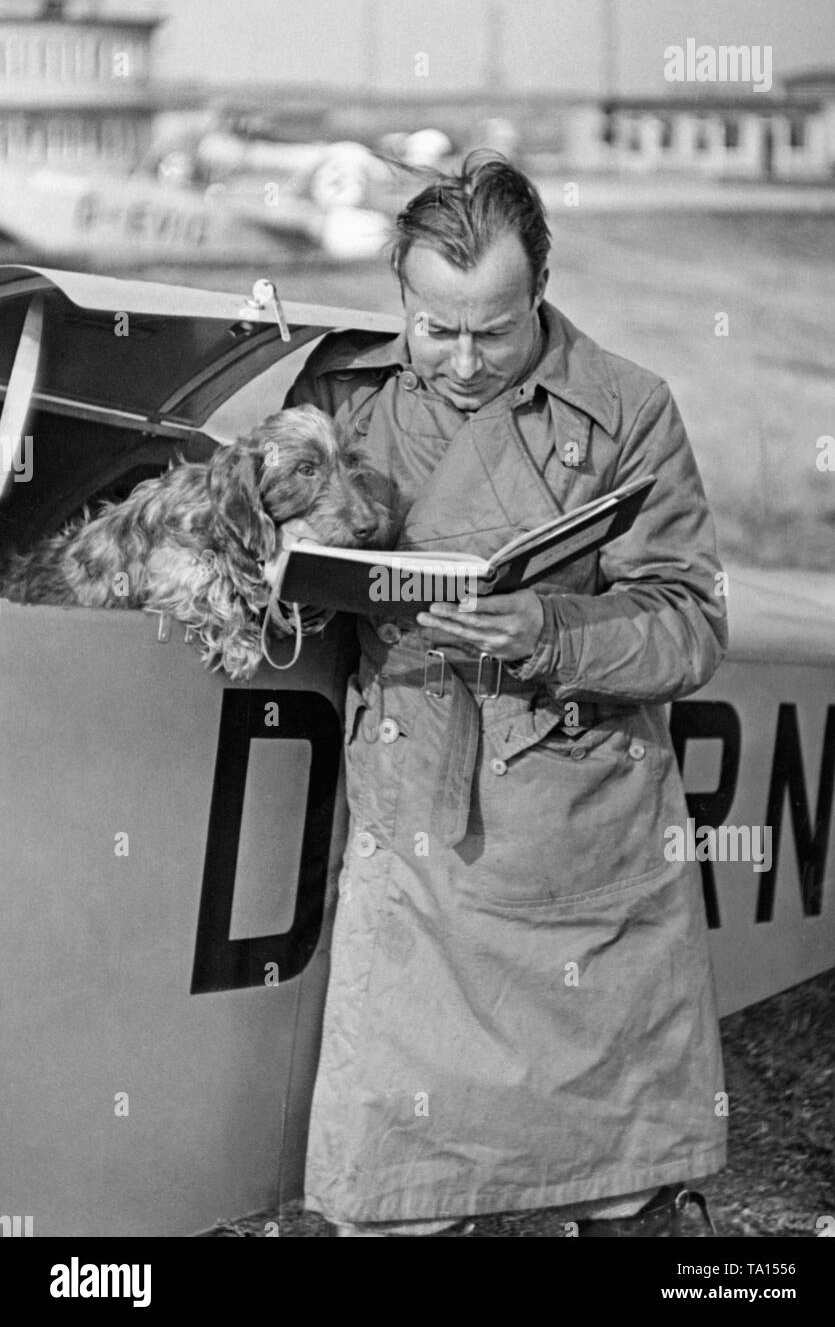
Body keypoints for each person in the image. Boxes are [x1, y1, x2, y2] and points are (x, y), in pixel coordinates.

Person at [283, 151, 728, 1238]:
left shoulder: (628, 407)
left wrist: (549, 631)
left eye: (495, 330)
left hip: (573, 823)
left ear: (542, 291)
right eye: (437, 329)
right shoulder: (341, 398)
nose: (465, 360)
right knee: (394, 1183)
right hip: (407, 805)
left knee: (618, 1172)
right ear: (400, 293)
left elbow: (691, 621)